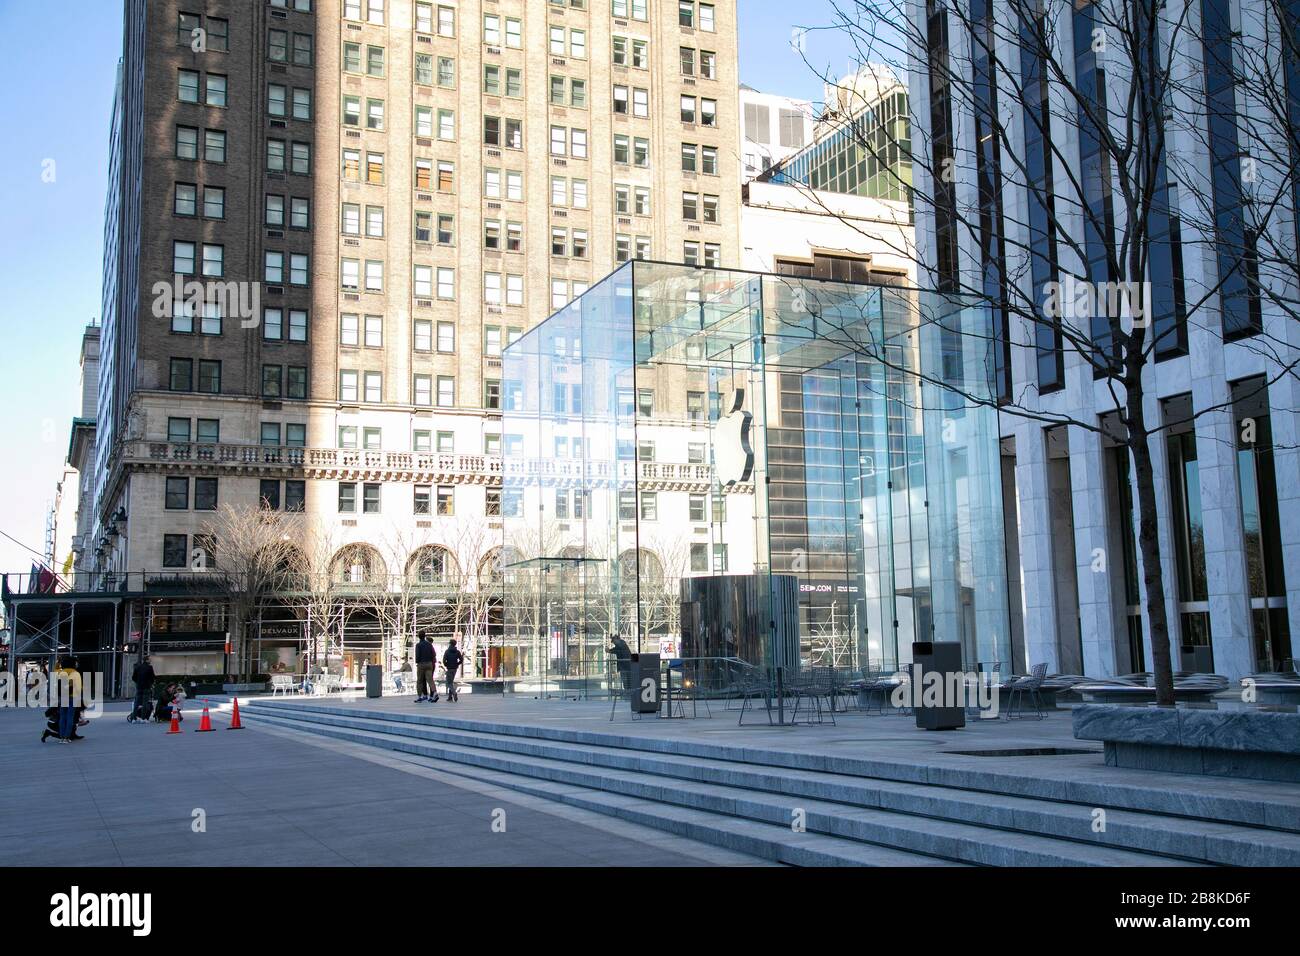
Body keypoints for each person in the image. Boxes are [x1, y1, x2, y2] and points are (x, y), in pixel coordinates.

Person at [50, 657, 83, 743]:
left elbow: (55, 669)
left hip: (63, 697)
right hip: (72, 697)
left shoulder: (60, 672)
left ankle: (61, 737)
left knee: (62, 717)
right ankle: (67, 738)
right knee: (70, 717)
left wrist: (58, 661)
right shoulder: (75, 673)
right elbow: (79, 688)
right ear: (73, 664)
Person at [129, 656, 156, 723]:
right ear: (147, 660)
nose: (150, 661)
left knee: (137, 703)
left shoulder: (137, 667)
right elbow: (153, 677)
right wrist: (150, 683)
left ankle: (134, 718)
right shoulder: (149, 667)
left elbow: (133, 677)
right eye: (150, 659)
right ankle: (143, 718)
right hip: (146, 687)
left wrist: (138, 682)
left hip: (139, 687)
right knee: (145, 703)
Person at [414, 635, 438, 703]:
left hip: (421, 664)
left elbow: (417, 655)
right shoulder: (429, 645)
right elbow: (433, 654)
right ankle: (435, 693)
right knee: (430, 680)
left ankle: (420, 696)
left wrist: (417, 662)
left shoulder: (418, 645)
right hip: (429, 664)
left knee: (420, 681)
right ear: (424, 636)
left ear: (419, 637)